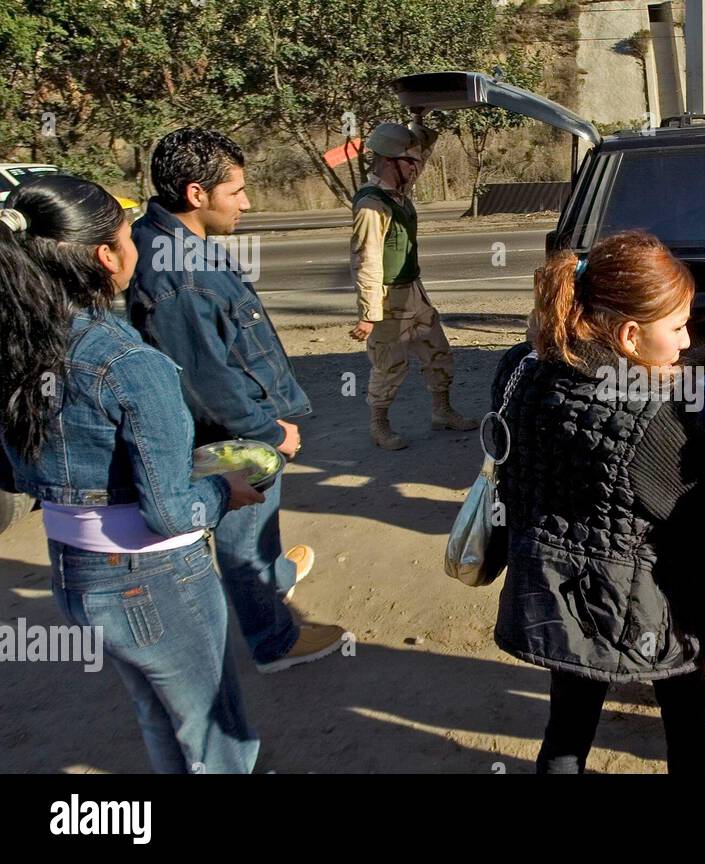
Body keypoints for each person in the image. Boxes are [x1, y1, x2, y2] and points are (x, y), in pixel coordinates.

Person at [0, 176, 265, 772]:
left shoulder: (15, 348)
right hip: (155, 577)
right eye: (128, 235)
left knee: (158, 716)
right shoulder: (129, 364)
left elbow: (18, 472)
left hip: (74, 571)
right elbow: (168, 511)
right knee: (215, 734)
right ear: (107, 256)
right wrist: (225, 489)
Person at [490, 231, 705, 773]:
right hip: (656, 607)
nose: (687, 340)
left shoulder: (523, 373)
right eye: (676, 327)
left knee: (568, 728)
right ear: (628, 336)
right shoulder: (655, 420)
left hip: (560, 596)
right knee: (684, 718)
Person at [128, 127, 347, 674]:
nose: (247, 203)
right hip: (233, 434)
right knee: (242, 533)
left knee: (257, 527)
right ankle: (273, 638)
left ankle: (270, 576)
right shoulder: (179, 274)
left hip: (242, 422)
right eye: (237, 192)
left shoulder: (174, 242)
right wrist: (271, 432)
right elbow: (207, 382)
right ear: (197, 194)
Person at [350, 115, 476, 450]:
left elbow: (418, 151)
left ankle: (442, 412)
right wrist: (368, 312)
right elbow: (367, 260)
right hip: (388, 298)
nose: (418, 168)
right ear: (390, 162)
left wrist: (421, 120)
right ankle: (379, 426)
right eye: (411, 163)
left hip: (414, 293)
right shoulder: (372, 205)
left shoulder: (397, 190)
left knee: (439, 352)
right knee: (389, 366)